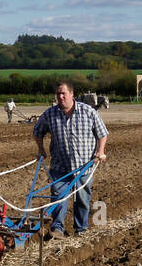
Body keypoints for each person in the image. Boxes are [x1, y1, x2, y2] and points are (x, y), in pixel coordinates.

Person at [33, 82, 108, 239]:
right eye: (58, 94)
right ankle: (58, 228)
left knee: (82, 198)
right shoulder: (50, 114)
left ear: (72, 94)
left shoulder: (88, 112)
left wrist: (100, 152)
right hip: (60, 166)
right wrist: (41, 149)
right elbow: (37, 131)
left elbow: (102, 133)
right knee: (58, 196)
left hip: (84, 166)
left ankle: (81, 229)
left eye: (63, 93)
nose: (60, 97)